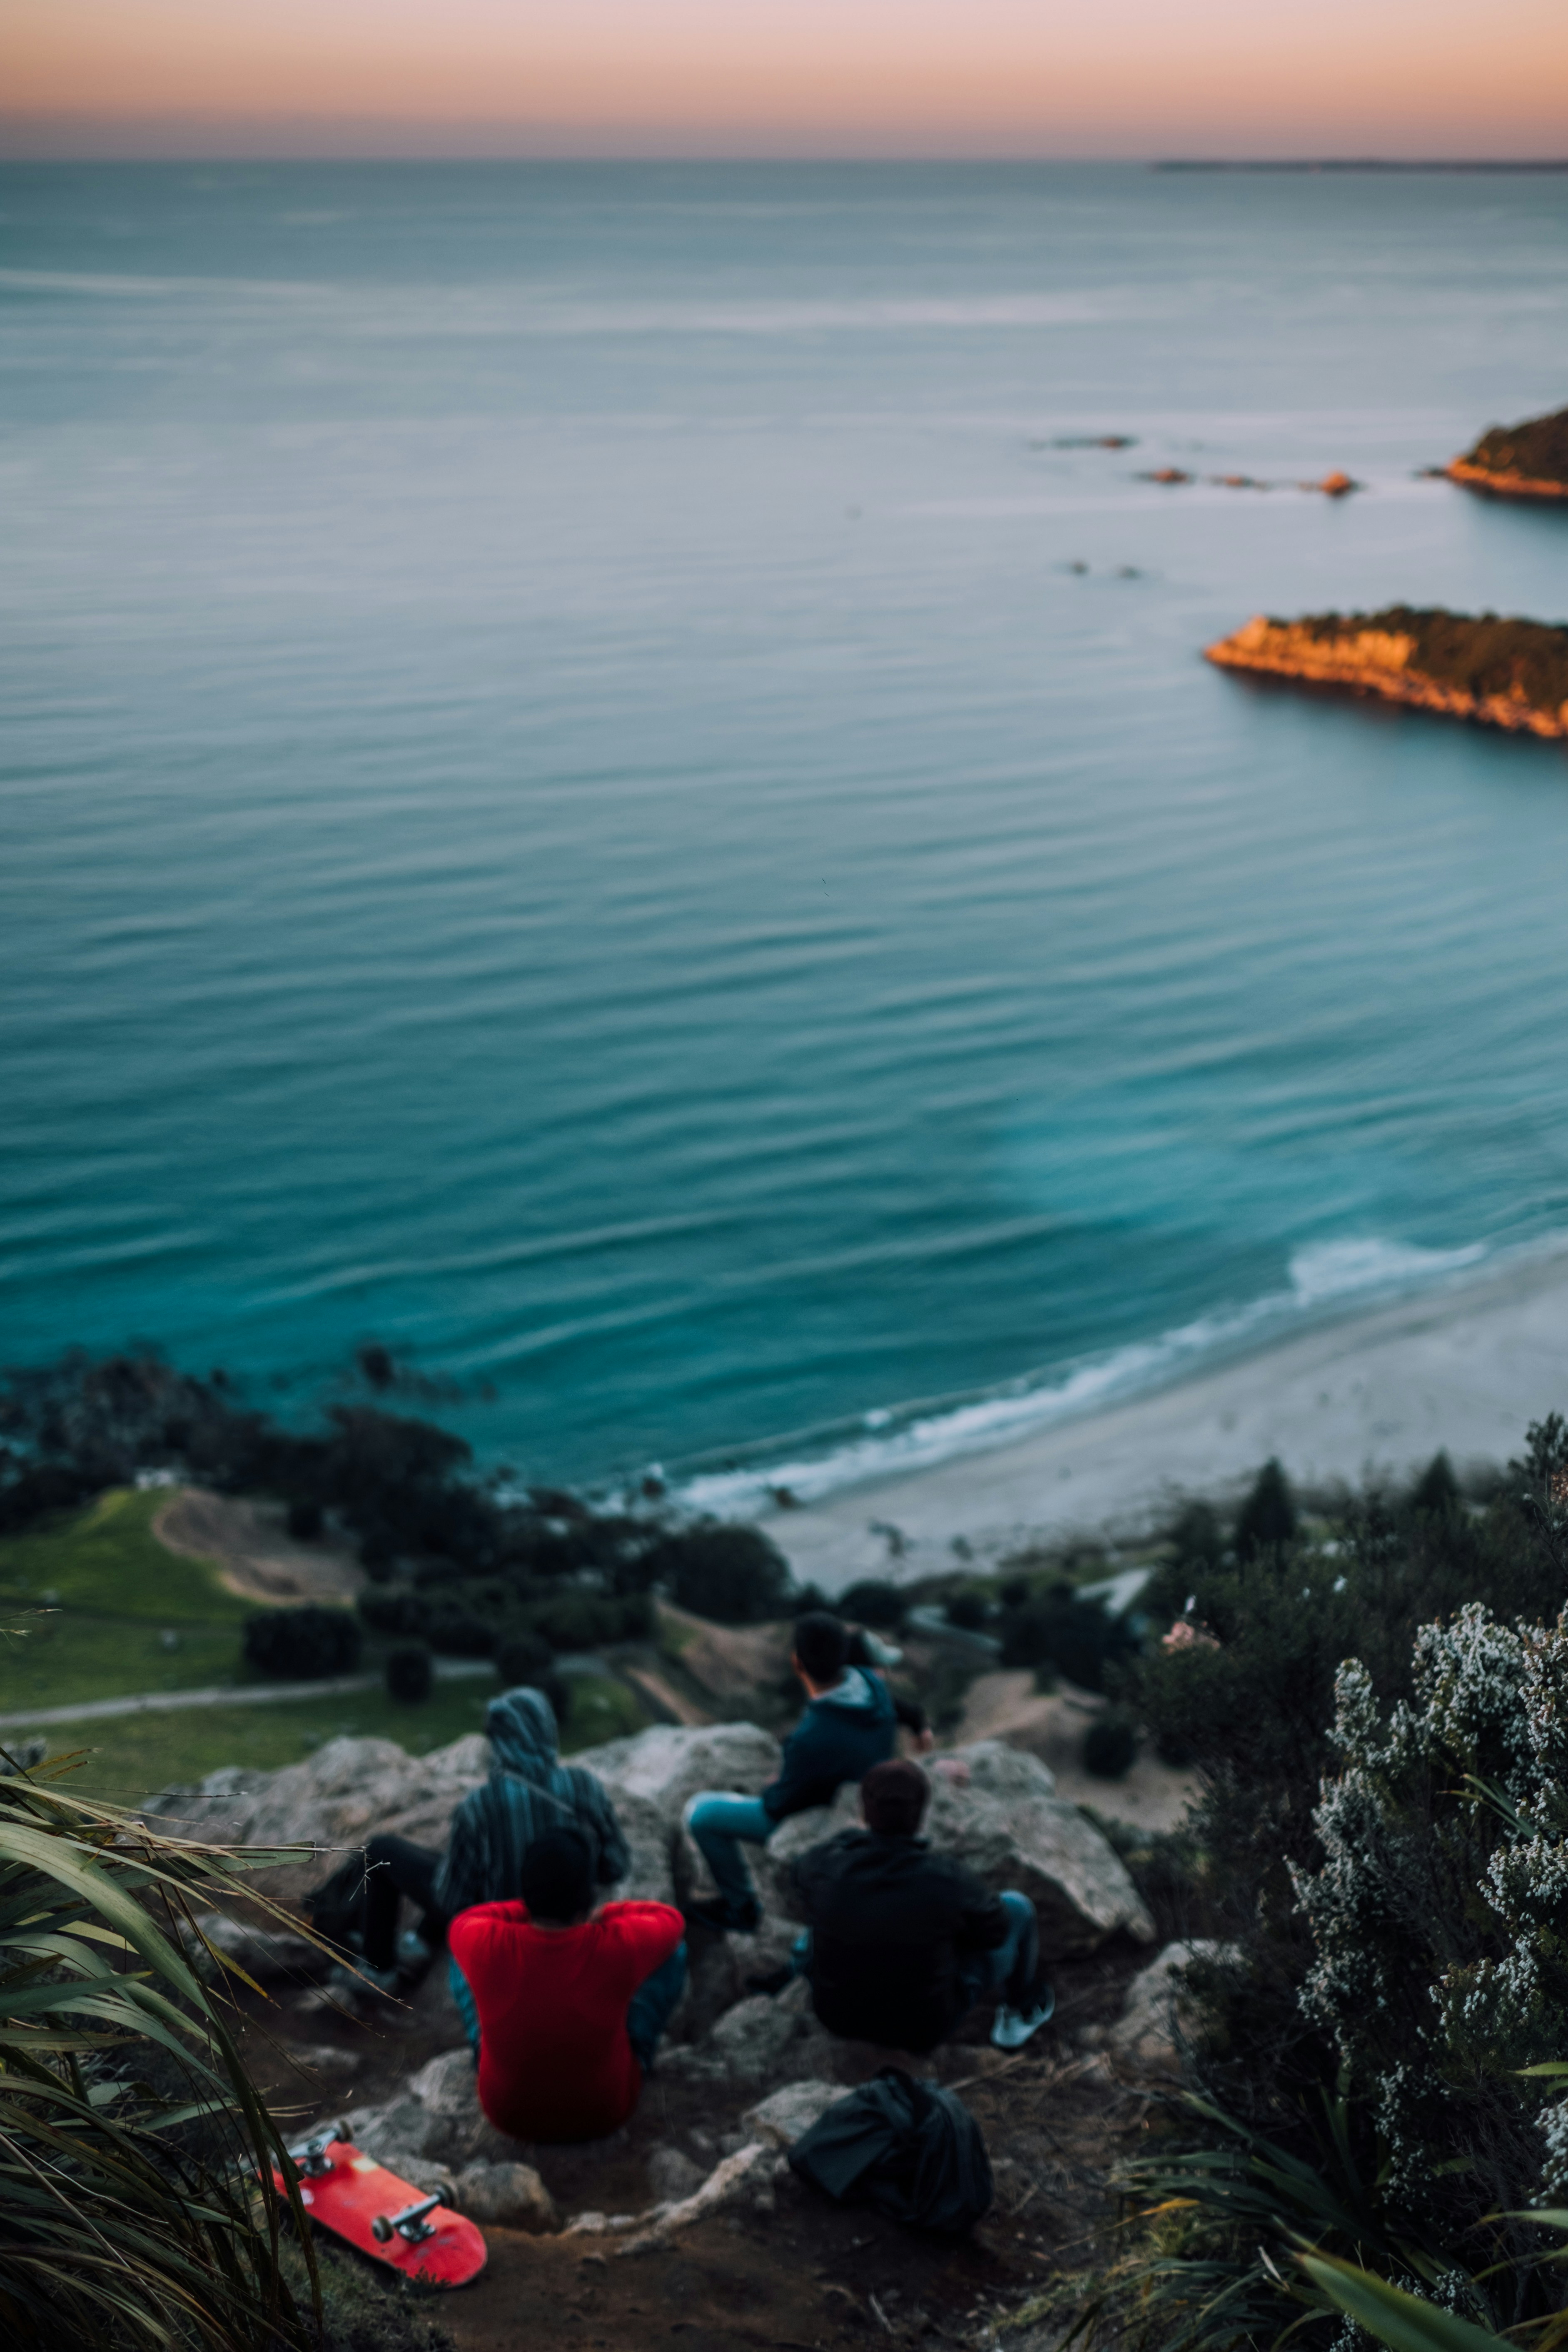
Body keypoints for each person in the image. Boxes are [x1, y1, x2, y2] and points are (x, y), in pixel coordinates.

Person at [346, 1685, 631, 1996]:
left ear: (498, 1740)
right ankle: (420, 1944)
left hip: (502, 1932)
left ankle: (379, 1971)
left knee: (382, 1851)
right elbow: (616, 1866)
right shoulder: (584, 1786)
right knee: (458, 1865)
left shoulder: (480, 1805)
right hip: (567, 1923)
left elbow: (453, 1900)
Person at [788, 1757, 1054, 2052]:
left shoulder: (824, 1865)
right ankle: (1019, 2015)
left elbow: (798, 1876)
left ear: (864, 1811)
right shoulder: (946, 1879)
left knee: (814, 1933)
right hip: (923, 2029)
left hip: (838, 2018)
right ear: (922, 1816)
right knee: (1018, 1908)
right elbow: (996, 1931)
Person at [446, 1826, 687, 2143]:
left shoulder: (485, 1942)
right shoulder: (616, 1946)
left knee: (459, 1958)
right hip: (605, 2113)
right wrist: (605, 1912)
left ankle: (483, 2050)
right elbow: (671, 1921)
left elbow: (465, 1919)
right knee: (675, 1951)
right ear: (585, 1897)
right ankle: (640, 2054)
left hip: (508, 2115)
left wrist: (530, 1905)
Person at [683, 1611, 899, 1933]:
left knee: (702, 1814)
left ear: (797, 1663)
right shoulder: (872, 1685)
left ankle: (740, 1906)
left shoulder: (812, 1738)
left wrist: (775, 1786)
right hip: (862, 1794)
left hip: (818, 1816)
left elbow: (779, 1806)